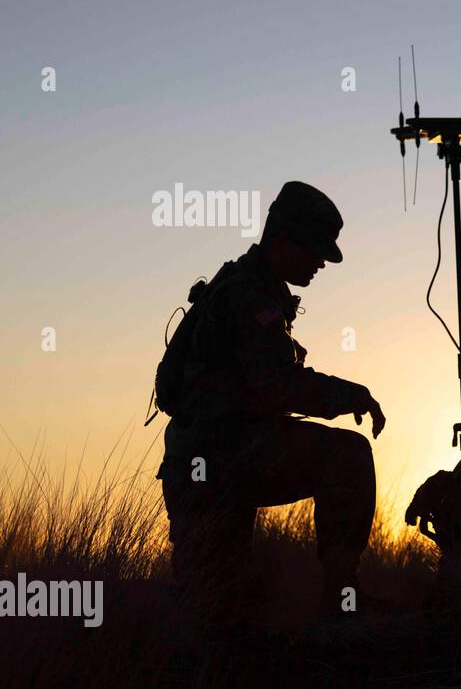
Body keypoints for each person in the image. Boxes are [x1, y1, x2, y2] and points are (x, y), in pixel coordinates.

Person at [153, 181, 386, 620]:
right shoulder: (249, 296)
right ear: (283, 240)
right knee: (348, 455)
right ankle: (341, 600)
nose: (321, 262)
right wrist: (351, 395)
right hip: (218, 459)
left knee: (224, 609)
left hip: (202, 462)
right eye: (315, 249)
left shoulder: (248, 287)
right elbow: (278, 386)